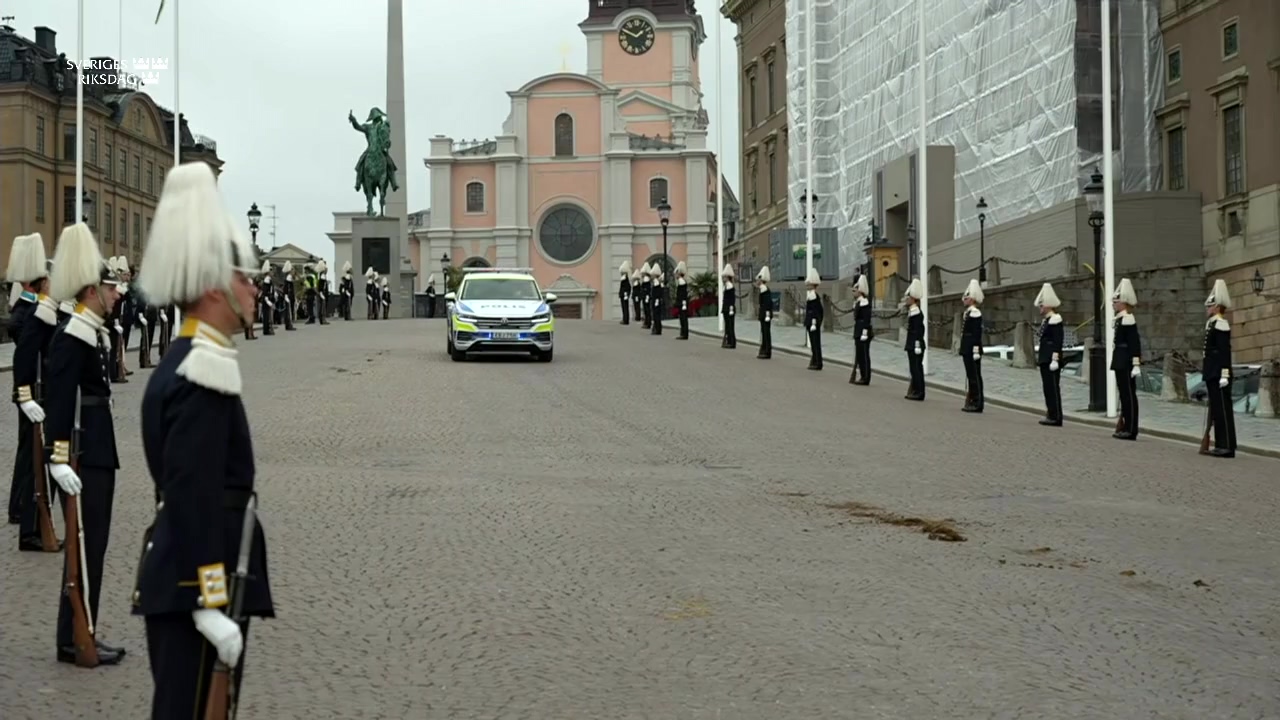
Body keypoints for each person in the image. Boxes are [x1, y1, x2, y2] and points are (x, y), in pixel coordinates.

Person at [130, 161, 274, 716]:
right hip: (194, 587)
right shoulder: (200, 372)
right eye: (244, 278)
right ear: (216, 287)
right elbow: (192, 497)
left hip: (191, 578)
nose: (254, 288)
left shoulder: (189, 360)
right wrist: (209, 600)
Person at [44, 221, 126, 665]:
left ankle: (79, 629)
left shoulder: (91, 331)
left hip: (96, 453)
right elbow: (58, 403)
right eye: (111, 288)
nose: (118, 295)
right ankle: (78, 634)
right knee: (84, 548)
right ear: (92, 290)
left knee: (90, 548)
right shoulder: (72, 336)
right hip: (82, 458)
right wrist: (58, 460)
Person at [7, 233, 50, 528]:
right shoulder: (25, 313)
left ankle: (21, 503)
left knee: (30, 450)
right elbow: (24, 358)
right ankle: (20, 505)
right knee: (27, 452)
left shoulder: (30, 310)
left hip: (34, 389)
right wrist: (25, 395)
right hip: (30, 390)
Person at [1201, 279, 1236, 458]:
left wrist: (1224, 373)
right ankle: (1221, 442)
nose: (1207, 309)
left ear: (1216, 307)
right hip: (1212, 371)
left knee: (1223, 410)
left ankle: (1227, 445)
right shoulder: (1212, 324)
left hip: (1219, 372)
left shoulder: (1221, 324)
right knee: (1217, 409)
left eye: (1210, 306)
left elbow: (1224, 352)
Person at [1111, 278, 1141, 440]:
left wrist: (1136, 362)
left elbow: (1134, 343)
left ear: (1123, 303)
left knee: (1129, 396)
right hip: (1120, 360)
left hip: (1126, 361)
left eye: (1116, 301)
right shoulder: (1120, 319)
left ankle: (1131, 428)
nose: (1114, 304)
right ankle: (1126, 425)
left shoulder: (1128, 319)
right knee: (1124, 395)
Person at [1035, 282, 1064, 426]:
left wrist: (1055, 359)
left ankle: (1056, 415)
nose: (1040, 308)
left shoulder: (1055, 320)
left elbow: (1057, 342)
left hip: (1051, 359)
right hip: (1045, 358)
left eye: (1041, 305)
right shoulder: (1047, 320)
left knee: (1052, 387)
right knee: (1047, 388)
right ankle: (1051, 412)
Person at [959, 278, 985, 413]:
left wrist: (975, 349)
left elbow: (975, 334)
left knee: (974, 376)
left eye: (967, 297)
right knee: (971, 375)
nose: (964, 299)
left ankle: (977, 401)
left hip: (972, 348)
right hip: (967, 347)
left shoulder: (975, 313)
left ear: (973, 299)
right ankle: (973, 399)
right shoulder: (969, 312)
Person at [903, 278, 925, 400]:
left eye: (908, 297)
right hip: (912, 344)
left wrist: (917, 345)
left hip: (915, 344)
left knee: (916, 369)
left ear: (913, 299)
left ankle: (919, 391)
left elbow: (918, 331)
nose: (906, 299)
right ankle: (916, 390)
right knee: (914, 369)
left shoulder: (916, 312)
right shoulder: (912, 311)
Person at [849, 275, 872, 385]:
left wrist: (864, 333)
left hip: (864, 332)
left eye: (855, 290)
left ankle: (866, 376)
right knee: (859, 355)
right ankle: (862, 375)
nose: (854, 292)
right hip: (858, 331)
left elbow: (866, 320)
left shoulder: (864, 303)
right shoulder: (858, 302)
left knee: (864, 356)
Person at [804, 267, 823, 370]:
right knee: (814, 343)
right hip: (811, 322)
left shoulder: (813, 296)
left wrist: (814, 323)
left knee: (815, 343)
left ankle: (817, 361)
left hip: (812, 323)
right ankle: (815, 360)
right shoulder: (811, 295)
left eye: (809, 284)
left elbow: (815, 312)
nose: (807, 285)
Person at [755, 266, 772, 359]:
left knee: (766, 332)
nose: (757, 281)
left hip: (765, 314)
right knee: (764, 332)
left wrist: (767, 314)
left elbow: (767, 304)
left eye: (758, 280)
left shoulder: (764, 290)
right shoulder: (762, 289)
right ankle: (764, 348)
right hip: (763, 313)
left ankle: (767, 350)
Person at [720, 263, 736, 349]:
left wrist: (731, 309)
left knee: (730, 326)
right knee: (727, 325)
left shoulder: (729, 286)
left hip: (729, 308)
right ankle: (728, 340)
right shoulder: (726, 286)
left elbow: (731, 300)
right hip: (726, 308)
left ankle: (731, 341)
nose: (723, 279)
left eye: (724, 277)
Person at [258, 261, 275, 336]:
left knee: (268, 315)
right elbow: (265, 293)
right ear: (268, 272)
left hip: (268, 299)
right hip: (266, 300)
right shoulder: (267, 280)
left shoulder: (269, 280)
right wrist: (269, 302)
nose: (273, 272)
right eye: (271, 271)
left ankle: (267, 329)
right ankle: (266, 329)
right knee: (266, 316)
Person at [674, 261, 690, 340]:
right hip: (682, 303)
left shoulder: (681, 282)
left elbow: (682, 295)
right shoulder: (682, 281)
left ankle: (684, 333)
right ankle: (683, 333)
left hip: (682, 303)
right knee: (683, 318)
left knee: (683, 318)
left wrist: (683, 304)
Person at [281, 261, 297, 331]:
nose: (294, 271)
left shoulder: (290, 278)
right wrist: (286, 296)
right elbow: (287, 288)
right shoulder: (288, 278)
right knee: (289, 312)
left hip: (290, 297)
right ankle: (289, 324)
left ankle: (288, 324)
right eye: (293, 270)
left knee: (289, 311)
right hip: (289, 297)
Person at [650, 266, 665, 336]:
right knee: (656, 315)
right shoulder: (656, 282)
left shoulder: (656, 283)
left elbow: (656, 294)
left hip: (656, 301)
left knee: (656, 315)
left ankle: (657, 328)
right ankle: (657, 328)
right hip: (656, 300)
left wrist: (656, 301)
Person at [315, 260, 331, 324]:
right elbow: (322, 285)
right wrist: (321, 293)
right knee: (322, 307)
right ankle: (323, 319)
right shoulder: (323, 276)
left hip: (321, 292)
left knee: (321, 306)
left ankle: (321, 319)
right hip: (322, 293)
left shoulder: (321, 275)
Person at [618, 261, 632, 325]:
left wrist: (625, 294)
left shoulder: (624, 279)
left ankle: (625, 319)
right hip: (623, 295)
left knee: (625, 307)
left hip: (624, 295)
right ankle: (625, 319)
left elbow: (626, 288)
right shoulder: (624, 278)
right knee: (624, 307)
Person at [639, 263, 652, 329]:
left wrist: (646, 296)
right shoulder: (646, 279)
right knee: (646, 310)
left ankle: (647, 322)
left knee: (647, 310)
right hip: (645, 296)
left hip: (646, 296)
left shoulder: (646, 279)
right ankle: (646, 322)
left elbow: (646, 290)